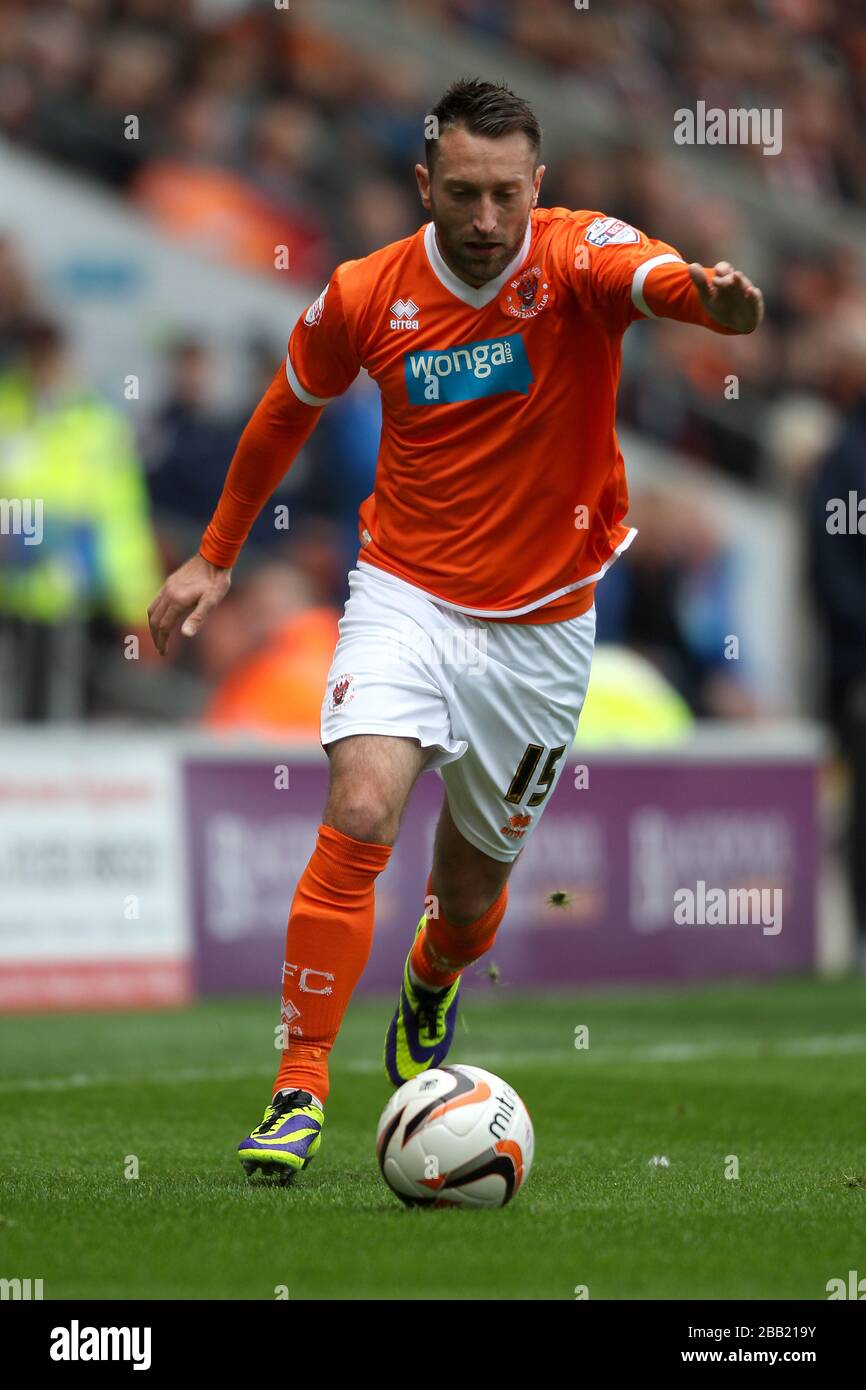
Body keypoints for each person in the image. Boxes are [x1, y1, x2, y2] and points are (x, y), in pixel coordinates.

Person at [146, 79, 763, 1182]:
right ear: (423, 183)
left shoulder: (571, 256)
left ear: (539, 187)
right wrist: (215, 553)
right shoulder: (362, 294)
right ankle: (298, 1088)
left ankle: (430, 978)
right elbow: (286, 407)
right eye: (463, 195)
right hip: (406, 594)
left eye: (506, 197)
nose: (485, 221)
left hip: (541, 627)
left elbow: (658, 276)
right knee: (363, 801)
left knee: (470, 894)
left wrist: (704, 304)